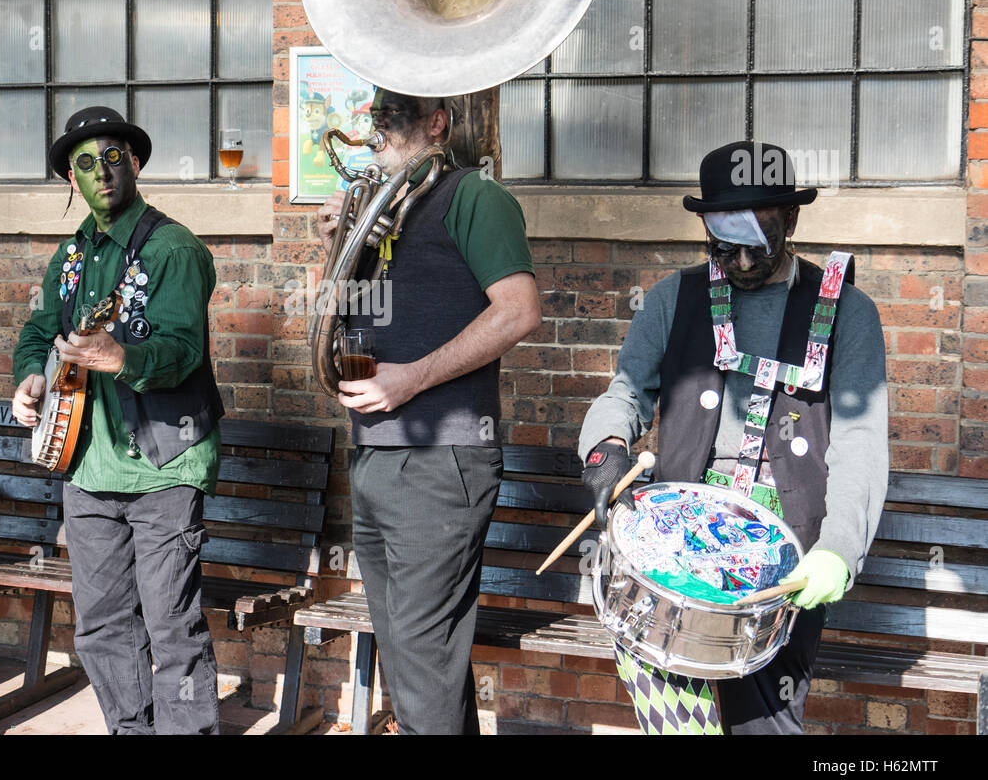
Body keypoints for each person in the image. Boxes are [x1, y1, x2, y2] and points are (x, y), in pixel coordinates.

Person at [578, 141, 888, 734]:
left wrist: (838, 549)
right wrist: (606, 447)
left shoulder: (849, 311)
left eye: (756, 239)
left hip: (788, 552)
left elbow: (861, 443)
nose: (740, 260)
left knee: (765, 727)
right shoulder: (675, 298)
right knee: (671, 714)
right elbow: (624, 394)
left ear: (792, 219)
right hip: (678, 543)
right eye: (723, 240)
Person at [315, 87, 542, 734]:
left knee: (418, 663)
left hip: (440, 460)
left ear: (436, 123)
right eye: (373, 113)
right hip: (377, 454)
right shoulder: (382, 208)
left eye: (390, 116)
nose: (373, 125)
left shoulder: (476, 196)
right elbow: (338, 317)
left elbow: (519, 311)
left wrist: (411, 379)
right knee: (420, 661)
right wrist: (338, 244)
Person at [11, 107, 223, 735]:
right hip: (86, 465)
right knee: (102, 624)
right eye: (84, 162)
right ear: (70, 180)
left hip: (163, 465)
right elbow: (38, 331)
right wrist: (31, 376)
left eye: (112, 156)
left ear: (134, 163)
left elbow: (183, 348)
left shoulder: (172, 248)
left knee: (171, 625)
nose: (100, 171)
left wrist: (121, 357)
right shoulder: (72, 256)